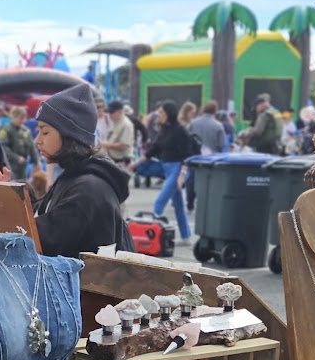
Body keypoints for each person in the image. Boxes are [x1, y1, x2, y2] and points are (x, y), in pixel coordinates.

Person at [22, 84, 131, 257]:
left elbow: (38, 237)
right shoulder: (75, 176)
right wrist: (9, 191)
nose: (38, 140)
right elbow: (44, 215)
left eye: (45, 131)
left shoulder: (87, 190)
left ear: (68, 135)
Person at [138, 100, 198, 240]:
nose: (158, 114)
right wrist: (139, 161)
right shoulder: (165, 128)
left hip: (177, 169)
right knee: (178, 205)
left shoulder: (180, 130)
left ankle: (152, 236)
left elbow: (187, 153)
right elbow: (156, 147)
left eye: (161, 112)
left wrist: (181, 175)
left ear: (168, 114)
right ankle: (186, 235)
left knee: (159, 202)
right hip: (167, 168)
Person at [0, 104, 38, 178]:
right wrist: (16, 158)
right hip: (9, 165)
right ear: (13, 116)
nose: (22, 120)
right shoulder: (6, 129)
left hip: (22, 167)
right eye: (20, 118)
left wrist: (36, 162)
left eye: (24, 118)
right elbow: (2, 146)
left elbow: (32, 146)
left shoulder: (26, 130)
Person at [98, 100, 135, 171]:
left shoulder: (126, 124)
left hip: (122, 162)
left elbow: (123, 146)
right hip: (111, 160)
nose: (110, 114)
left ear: (120, 111)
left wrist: (106, 144)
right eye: (109, 112)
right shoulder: (114, 122)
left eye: (112, 112)